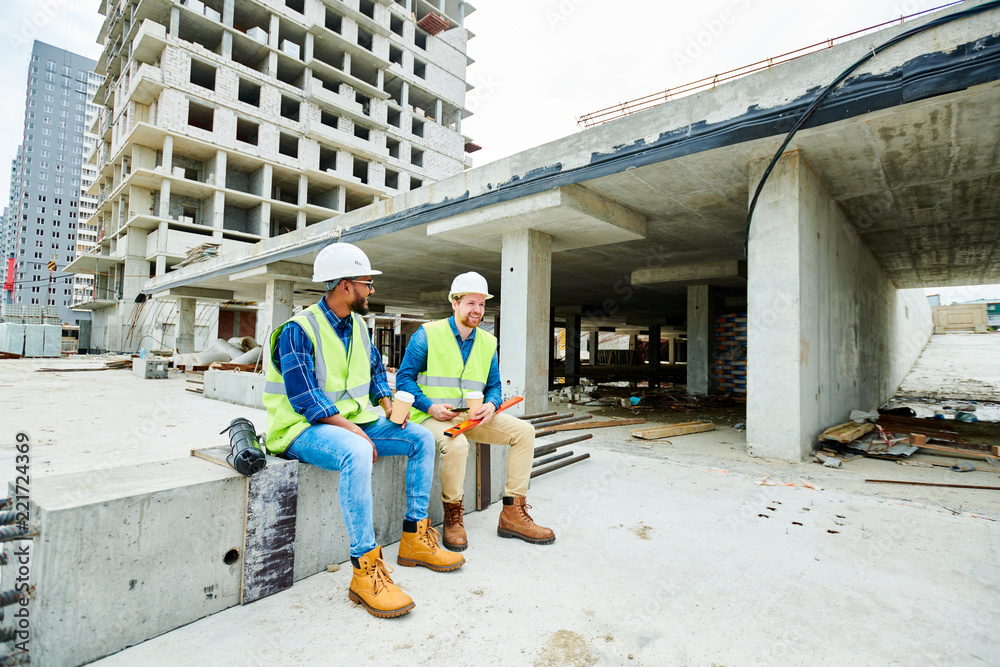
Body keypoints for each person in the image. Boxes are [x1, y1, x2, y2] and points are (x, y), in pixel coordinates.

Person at [263, 242, 464, 619]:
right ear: (343, 286)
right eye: (366, 283)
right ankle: (365, 570)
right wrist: (358, 435)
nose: (371, 290)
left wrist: (390, 408)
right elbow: (306, 400)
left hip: (352, 420)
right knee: (356, 452)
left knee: (419, 437)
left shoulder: (358, 324)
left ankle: (415, 538)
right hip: (299, 429)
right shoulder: (297, 330)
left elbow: (374, 375)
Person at [396, 271, 555, 552]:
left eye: (481, 304)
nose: (477, 310)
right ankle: (453, 515)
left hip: (470, 416)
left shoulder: (487, 341)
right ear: (454, 303)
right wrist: (429, 406)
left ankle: (512, 513)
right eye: (471, 303)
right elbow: (404, 378)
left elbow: (493, 384)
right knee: (457, 446)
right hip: (432, 416)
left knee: (525, 431)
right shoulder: (428, 334)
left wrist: (492, 405)